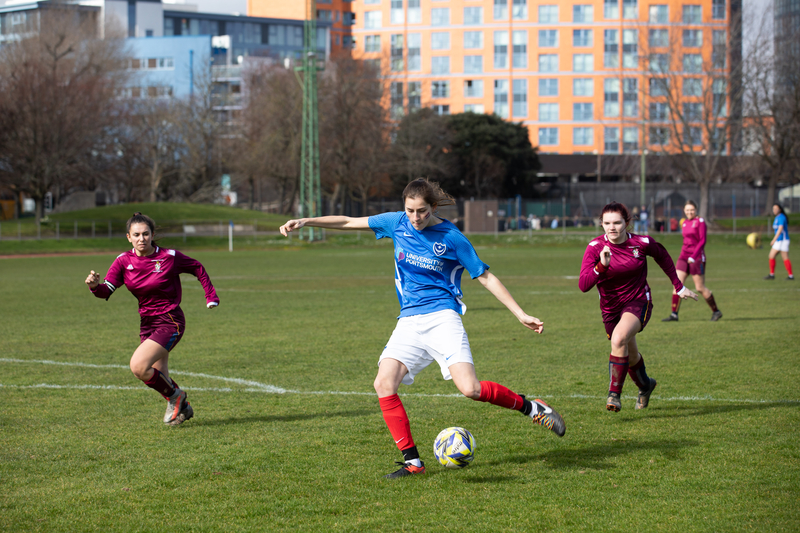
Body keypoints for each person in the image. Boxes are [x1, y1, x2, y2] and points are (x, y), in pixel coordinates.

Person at [279, 178, 565, 479]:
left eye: (422, 211)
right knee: (383, 384)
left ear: (433, 207)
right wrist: (307, 220)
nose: (416, 218)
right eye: (410, 210)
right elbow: (350, 221)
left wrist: (520, 313)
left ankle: (533, 408)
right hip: (409, 321)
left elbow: (485, 276)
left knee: (471, 389)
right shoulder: (396, 223)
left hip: (443, 317)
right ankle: (413, 461)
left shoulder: (452, 236)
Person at [85, 213, 219, 426]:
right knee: (160, 374)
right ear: (128, 237)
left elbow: (197, 268)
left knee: (138, 367)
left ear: (152, 234)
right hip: (146, 322)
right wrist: (94, 286)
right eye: (136, 234)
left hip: (170, 320)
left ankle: (176, 397)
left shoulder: (169, 256)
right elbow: (106, 291)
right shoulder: (122, 261)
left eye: (146, 234)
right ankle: (182, 407)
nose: (141, 238)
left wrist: (210, 295)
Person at [579, 202, 698, 412]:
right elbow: (583, 285)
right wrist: (601, 266)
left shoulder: (641, 243)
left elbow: (662, 255)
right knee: (629, 354)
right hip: (610, 309)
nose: (612, 227)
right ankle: (645, 385)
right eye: (607, 223)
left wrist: (678, 287)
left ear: (627, 222)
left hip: (638, 301)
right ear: (601, 224)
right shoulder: (595, 248)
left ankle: (614, 395)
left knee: (618, 339)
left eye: (617, 222)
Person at [663, 200, 723, 322]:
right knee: (677, 284)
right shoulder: (684, 223)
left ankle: (716, 311)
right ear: (684, 211)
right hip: (683, 257)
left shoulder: (700, 222)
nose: (690, 212)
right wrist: (685, 256)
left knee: (700, 287)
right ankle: (674, 314)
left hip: (696, 258)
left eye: (692, 210)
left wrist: (694, 256)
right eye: (687, 210)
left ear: (696, 210)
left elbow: (702, 241)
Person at [765, 203, 793, 280]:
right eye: (773, 209)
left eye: (776, 209)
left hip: (782, 240)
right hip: (779, 241)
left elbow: (780, 229)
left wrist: (773, 240)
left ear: (780, 209)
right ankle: (772, 274)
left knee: (783, 257)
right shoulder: (777, 217)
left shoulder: (781, 217)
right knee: (772, 256)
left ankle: (789, 276)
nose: (774, 210)